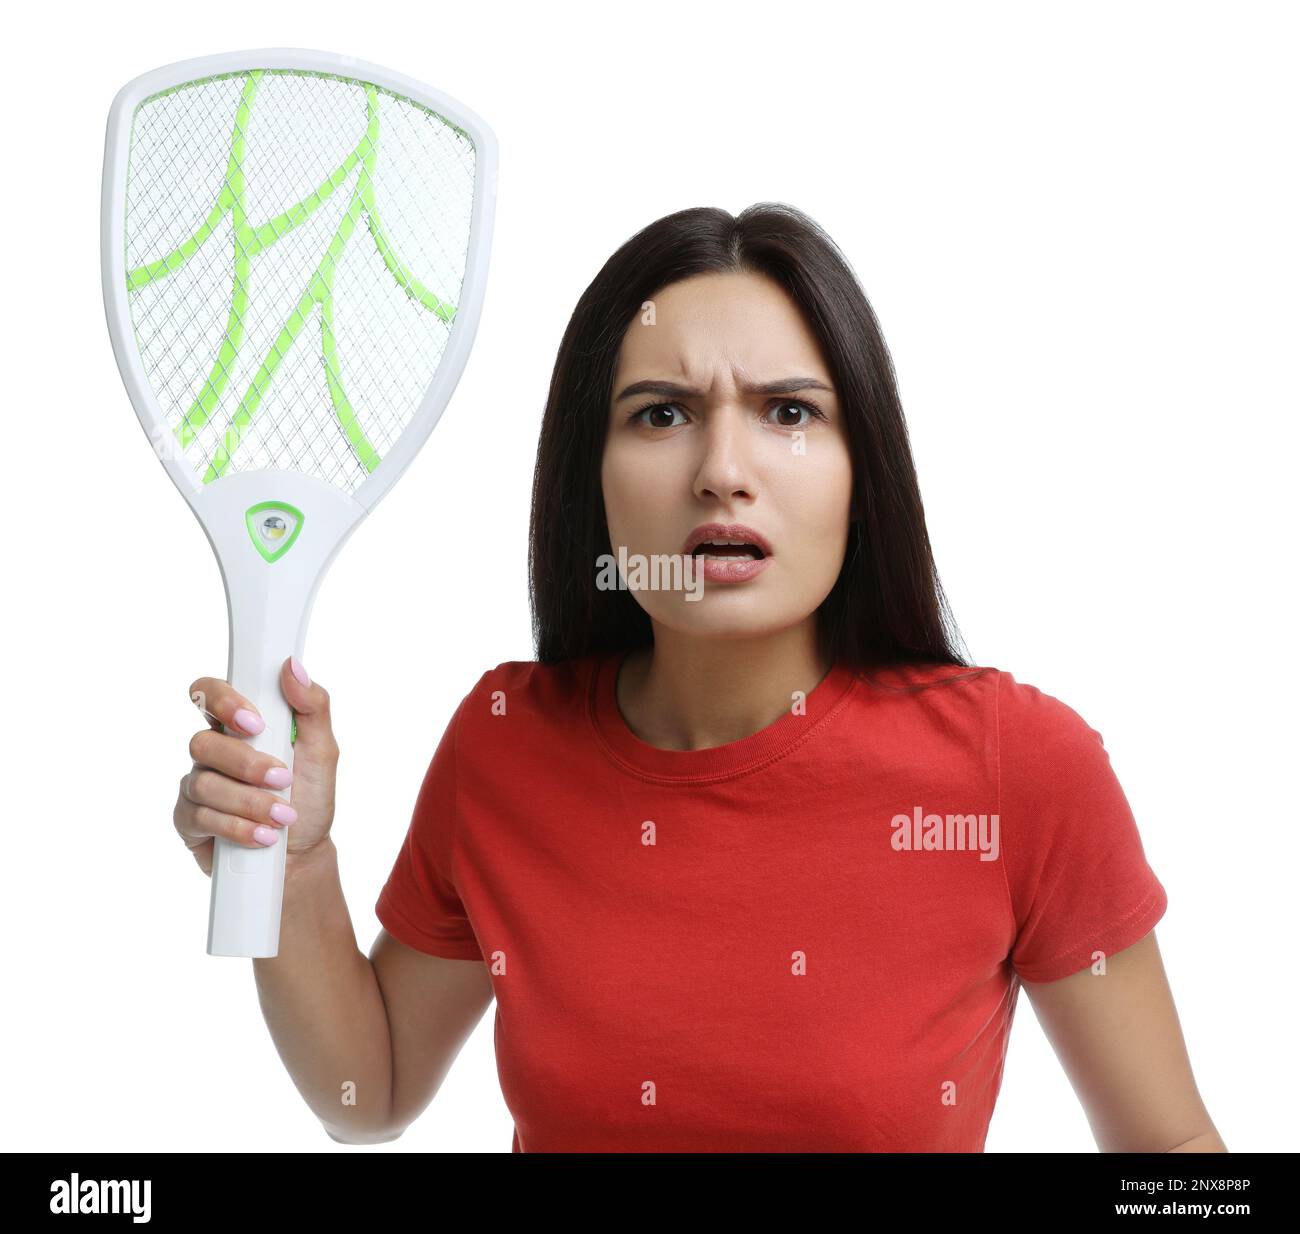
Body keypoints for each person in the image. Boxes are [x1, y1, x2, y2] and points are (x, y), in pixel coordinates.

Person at [173, 204, 1225, 1153]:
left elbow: (1171, 1157)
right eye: (661, 413)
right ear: (593, 480)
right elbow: (372, 1093)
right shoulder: (504, 744)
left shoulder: (1019, 769)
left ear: (865, 476)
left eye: (790, 412)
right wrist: (297, 869)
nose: (722, 467)